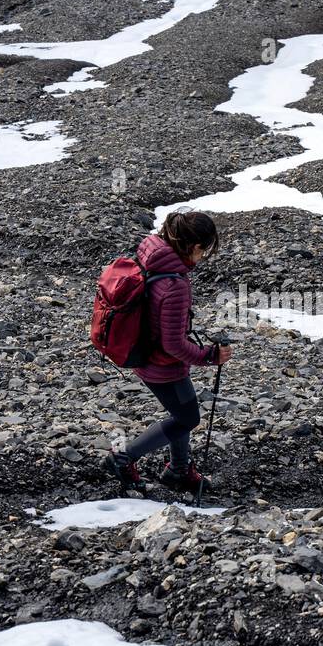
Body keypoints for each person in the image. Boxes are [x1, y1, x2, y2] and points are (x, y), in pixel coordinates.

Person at [106, 211, 231, 494]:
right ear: (196, 247)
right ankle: (123, 458)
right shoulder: (173, 284)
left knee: (181, 412)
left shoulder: (151, 254)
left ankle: (178, 471)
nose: (204, 257)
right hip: (162, 365)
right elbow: (173, 344)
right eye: (205, 250)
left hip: (144, 354)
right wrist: (209, 356)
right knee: (187, 419)